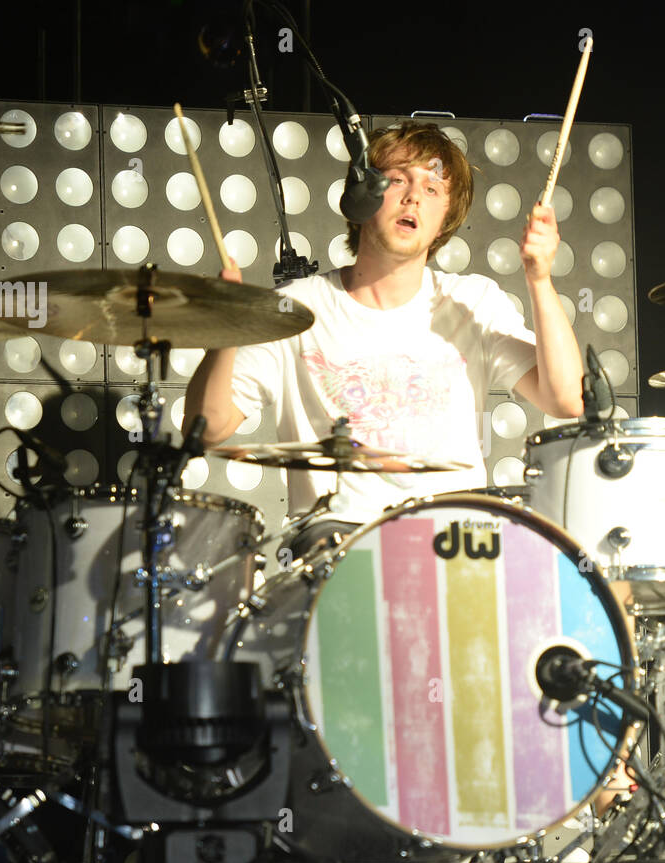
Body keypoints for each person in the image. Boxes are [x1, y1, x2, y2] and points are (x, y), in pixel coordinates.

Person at [183, 120, 582, 548]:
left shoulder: (474, 302)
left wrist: (540, 279)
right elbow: (206, 428)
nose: (413, 196)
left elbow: (567, 399)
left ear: (446, 216)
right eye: (396, 180)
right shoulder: (294, 310)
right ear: (361, 197)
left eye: (432, 189)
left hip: (455, 545)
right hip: (331, 551)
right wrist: (225, 328)